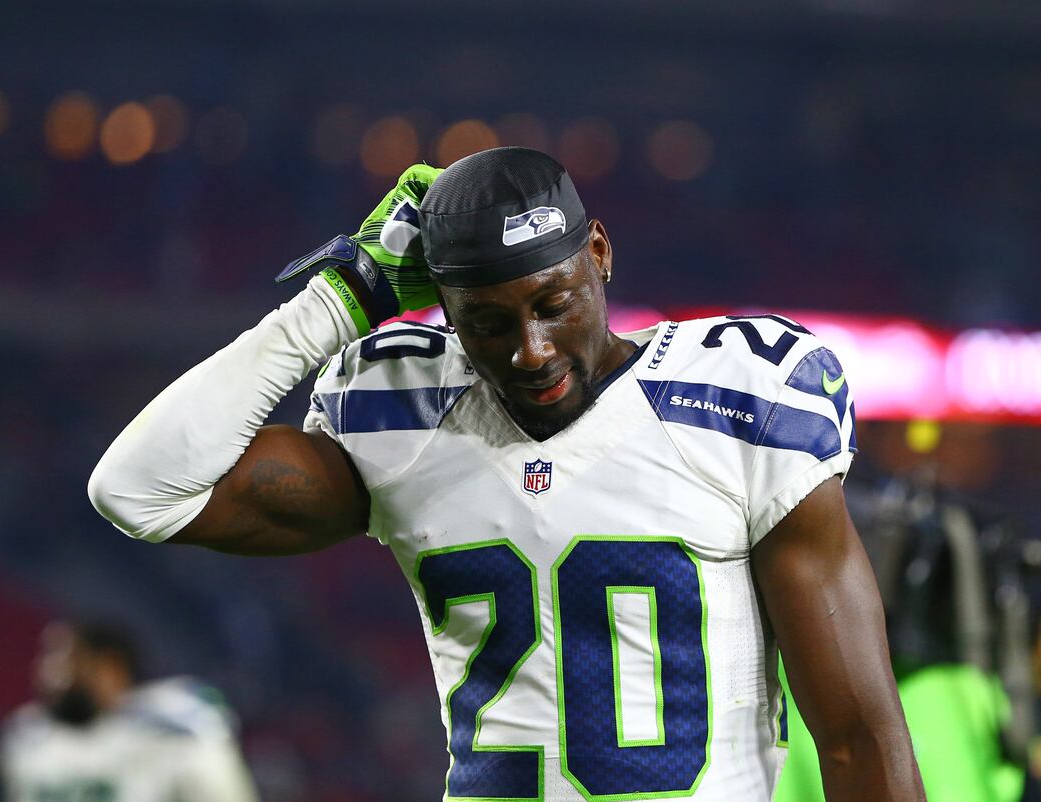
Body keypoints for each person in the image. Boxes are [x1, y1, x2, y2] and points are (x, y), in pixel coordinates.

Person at [89, 146, 925, 800]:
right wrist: (338, 303)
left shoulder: (739, 404)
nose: (530, 349)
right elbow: (138, 489)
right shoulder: (407, 415)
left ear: (598, 253)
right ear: (444, 314)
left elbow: (855, 733)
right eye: (487, 323)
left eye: (552, 303)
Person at [0, 619, 258, 802]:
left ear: (110, 669)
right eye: (48, 659)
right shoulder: (29, 738)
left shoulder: (172, 726)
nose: (51, 674)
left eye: (69, 661)